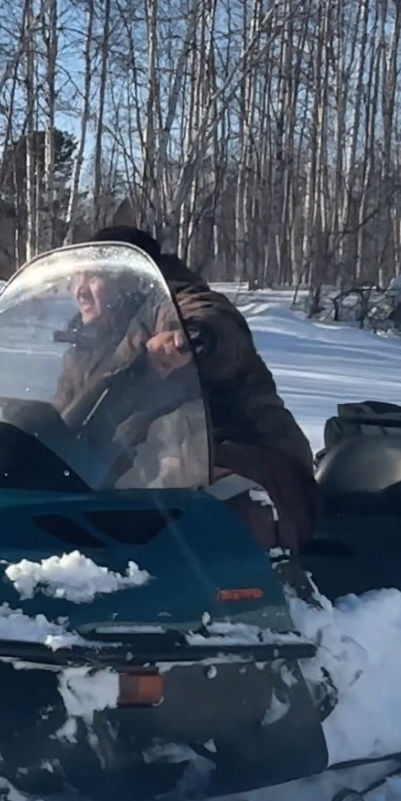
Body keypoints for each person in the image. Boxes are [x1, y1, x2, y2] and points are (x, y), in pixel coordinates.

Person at [76, 225, 318, 555]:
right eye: (77, 277)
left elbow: (212, 322)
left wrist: (190, 338)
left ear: (128, 279)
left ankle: (259, 587)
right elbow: (64, 422)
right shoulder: (86, 345)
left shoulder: (170, 302)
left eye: (94, 277)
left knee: (175, 447)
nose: (80, 289)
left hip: (250, 466)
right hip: (146, 476)